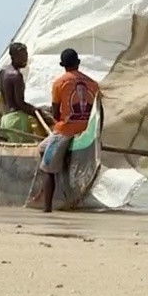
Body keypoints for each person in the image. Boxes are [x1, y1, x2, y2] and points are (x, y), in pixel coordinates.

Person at [37, 48, 99, 213]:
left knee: (46, 166)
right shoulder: (93, 84)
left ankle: (47, 208)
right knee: (43, 147)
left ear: (62, 65)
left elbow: (55, 113)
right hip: (87, 130)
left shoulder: (59, 83)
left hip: (65, 131)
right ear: (78, 63)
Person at [0, 42, 43, 142]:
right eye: (23, 55)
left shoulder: (2, 72)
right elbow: (20, 103)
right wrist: (37, 111)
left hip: (6, 119)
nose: (25, 58)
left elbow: (4, 96)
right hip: (17, 120)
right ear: (14, 56)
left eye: (26, 54)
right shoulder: (16, 75)